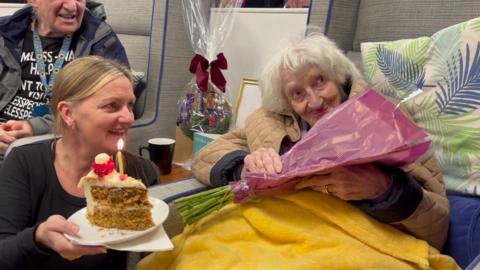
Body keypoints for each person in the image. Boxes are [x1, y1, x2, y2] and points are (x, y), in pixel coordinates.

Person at [136, 31, 457, 269]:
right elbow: (205, 155)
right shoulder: (268, 122)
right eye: (298, 93)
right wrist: (244, 167)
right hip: (263, 224)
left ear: (339, 77)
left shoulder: (385, 117)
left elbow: (438, 222)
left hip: (348, 236)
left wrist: (381, 188)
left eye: (320, 82)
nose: (314, 101)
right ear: (286, 101)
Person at [0, 56, 158, 270]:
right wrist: (38, 238)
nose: (128, 117)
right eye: (112, 106)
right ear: (68, 113)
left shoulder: (142, 172)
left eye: (129, 105)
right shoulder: (24, 163)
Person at [0, 0, 129, 155]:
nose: (72, 6)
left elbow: (104, 110)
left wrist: (34, 128)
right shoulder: (6, 33)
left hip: (52, 143)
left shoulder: (100, 41)